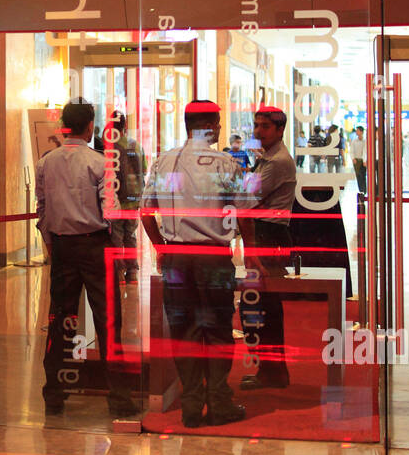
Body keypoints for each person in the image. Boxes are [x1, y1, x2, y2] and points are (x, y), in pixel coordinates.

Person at [141, 100, 250, 428]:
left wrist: (162, 247)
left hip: (176, 257)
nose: (218, 129)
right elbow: (242, 213)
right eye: (216, 123)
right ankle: (218, 402)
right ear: (209, 125)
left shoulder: (164, 161)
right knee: (216, 330)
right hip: (213, 258)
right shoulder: (225, 164)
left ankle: (191, 405)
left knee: (184, 331)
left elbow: (146, 212)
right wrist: (252, 250)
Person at [37, 99, 135, 417]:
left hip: (64, 248)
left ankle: (54, 392)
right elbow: (112, 211)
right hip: (95, 246)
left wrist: (51, 244)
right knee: (108, 320)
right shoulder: (98, 162)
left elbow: (42, 209)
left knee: (61, 319)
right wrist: (118, 250)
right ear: (90, 127)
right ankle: (118, 397)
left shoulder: (46, 162)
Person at [239, 106, 296, 390]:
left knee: (264, 308)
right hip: (264, 235)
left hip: (268, 237)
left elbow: (246, 197)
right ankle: (270, 371)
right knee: (260, 307)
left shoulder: (277, 162)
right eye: (256, 125)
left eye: (264, 127)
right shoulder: (268, 158)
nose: (257, 131)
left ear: (279, 130)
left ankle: (273, 372)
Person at [101, 111, 144, 286]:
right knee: (131, 235)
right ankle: (132, 273)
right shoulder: (135, 145)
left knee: (116, 236)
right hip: (133, 199)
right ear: (125, 126)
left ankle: (119, 273)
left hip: (115, 198)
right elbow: (144, 170)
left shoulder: (108, 147)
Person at [350, 125, 367, 195]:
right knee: (358, 175)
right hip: (356, 160)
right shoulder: (354, 141)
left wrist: (364, 160)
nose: (356, 132)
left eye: (358, 131)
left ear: (361, 132)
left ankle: (364, 189)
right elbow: (351, 151)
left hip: (363, 160)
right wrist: (353, 158)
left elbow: (365, 151)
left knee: (363, 175)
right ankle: (361, 190)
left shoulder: (365, 141)